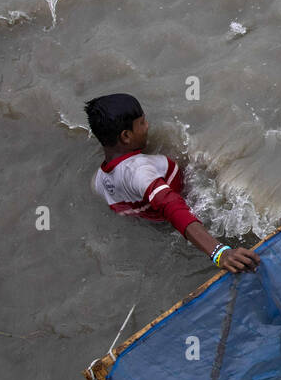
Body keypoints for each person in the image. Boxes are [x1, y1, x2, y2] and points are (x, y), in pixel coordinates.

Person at [84, 93, 259, 273]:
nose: (147, 126)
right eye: (142, 123)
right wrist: (219, 252)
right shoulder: (139, 170)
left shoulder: (97, 182)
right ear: (126, 136)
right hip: (198, 213)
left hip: (163, 227)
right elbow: (171, 206)